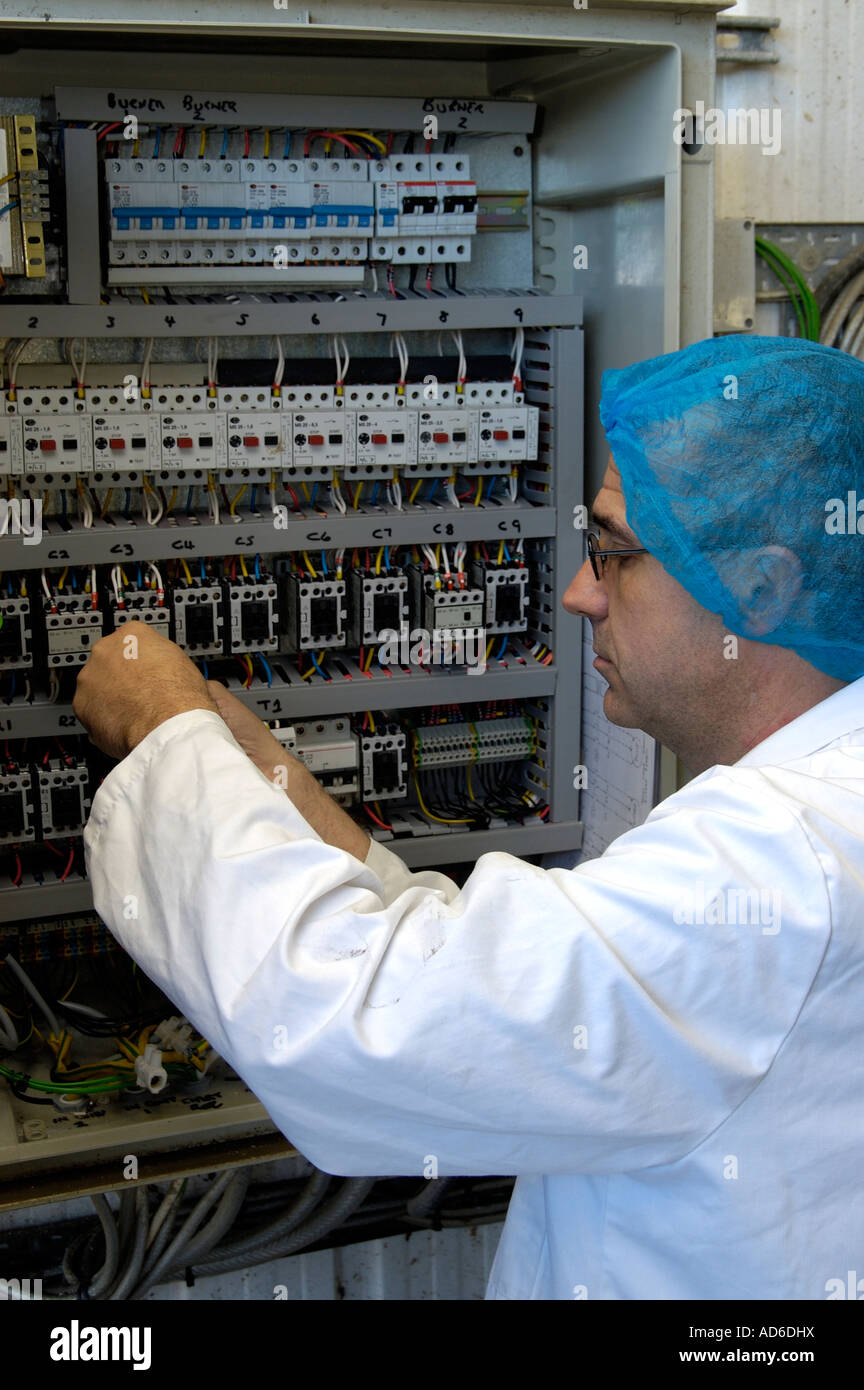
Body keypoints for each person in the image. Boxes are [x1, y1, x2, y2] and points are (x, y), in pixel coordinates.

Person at [74, 335, 864, 1300]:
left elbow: (350, 1022)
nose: (577, 593)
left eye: (612, 553)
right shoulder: (820, 811)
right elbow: (494, 971)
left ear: (762, 587)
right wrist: (247, 765)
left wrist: (162, 725)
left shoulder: (778, 868)